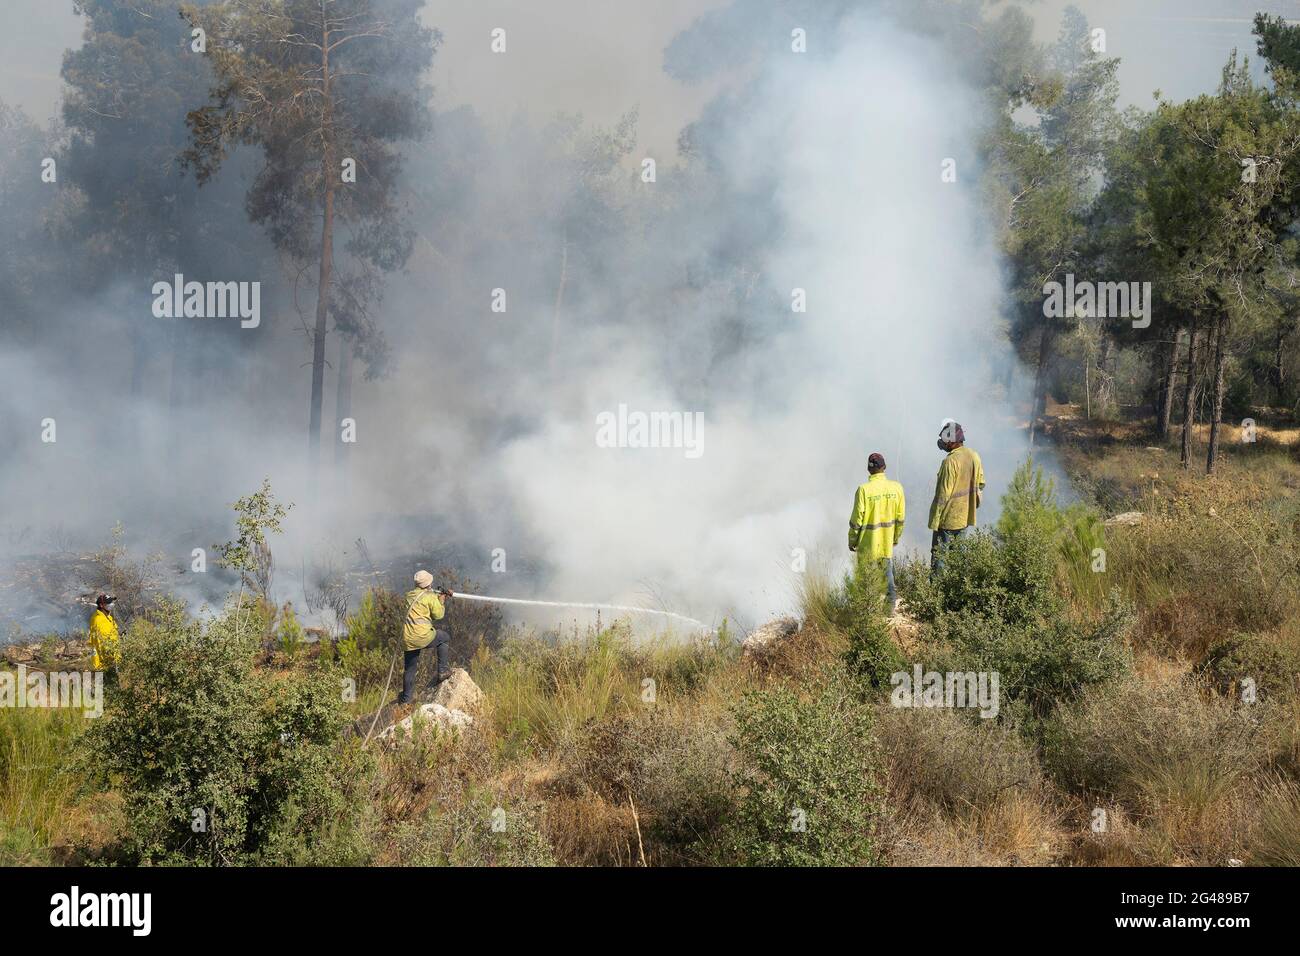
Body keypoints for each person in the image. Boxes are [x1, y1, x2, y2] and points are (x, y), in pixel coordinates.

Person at [848, 452, 906, 612]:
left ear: (869, 469)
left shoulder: (864, 490)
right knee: (888, 578)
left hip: (867, 545)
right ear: (884, 467)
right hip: (886, 543)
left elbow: (856, 521)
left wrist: (852, 541)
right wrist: (895, 537)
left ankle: (867, 614)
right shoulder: (896, 488)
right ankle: (889, 612)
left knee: (866, 582)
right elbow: (900, 518)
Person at [927, 420, 985, 574]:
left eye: (945, 441)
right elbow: (981, 484)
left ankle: (936, 594)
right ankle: (956, 592)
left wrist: (935, 520)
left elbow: (942, 495)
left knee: (939, 559)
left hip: (947, 520)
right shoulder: (974, 456)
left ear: (952, 441)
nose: (943, 444)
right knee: (959, 559)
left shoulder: (949, 461)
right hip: (965, 517)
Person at [399, 570, 452, 705]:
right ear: (429, 583)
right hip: (423, 636)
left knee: (410, 668)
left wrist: (434, 595)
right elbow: (438, 615)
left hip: (408, 638)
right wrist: (441, 600)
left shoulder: (409, 595)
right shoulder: (429, 597)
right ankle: (443, 671)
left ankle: (406, 699)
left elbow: (420, 601)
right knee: (444, 637)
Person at [88, 594, 121, 672]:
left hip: (113, 659)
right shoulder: (98, 620)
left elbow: (113, 634)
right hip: (105, 663)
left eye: (111, 602)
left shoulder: (108, 617)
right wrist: (111, 661)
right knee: (109, 683)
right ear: (101, 605)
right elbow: (103, 643)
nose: (111, 605)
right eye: (109, 603)